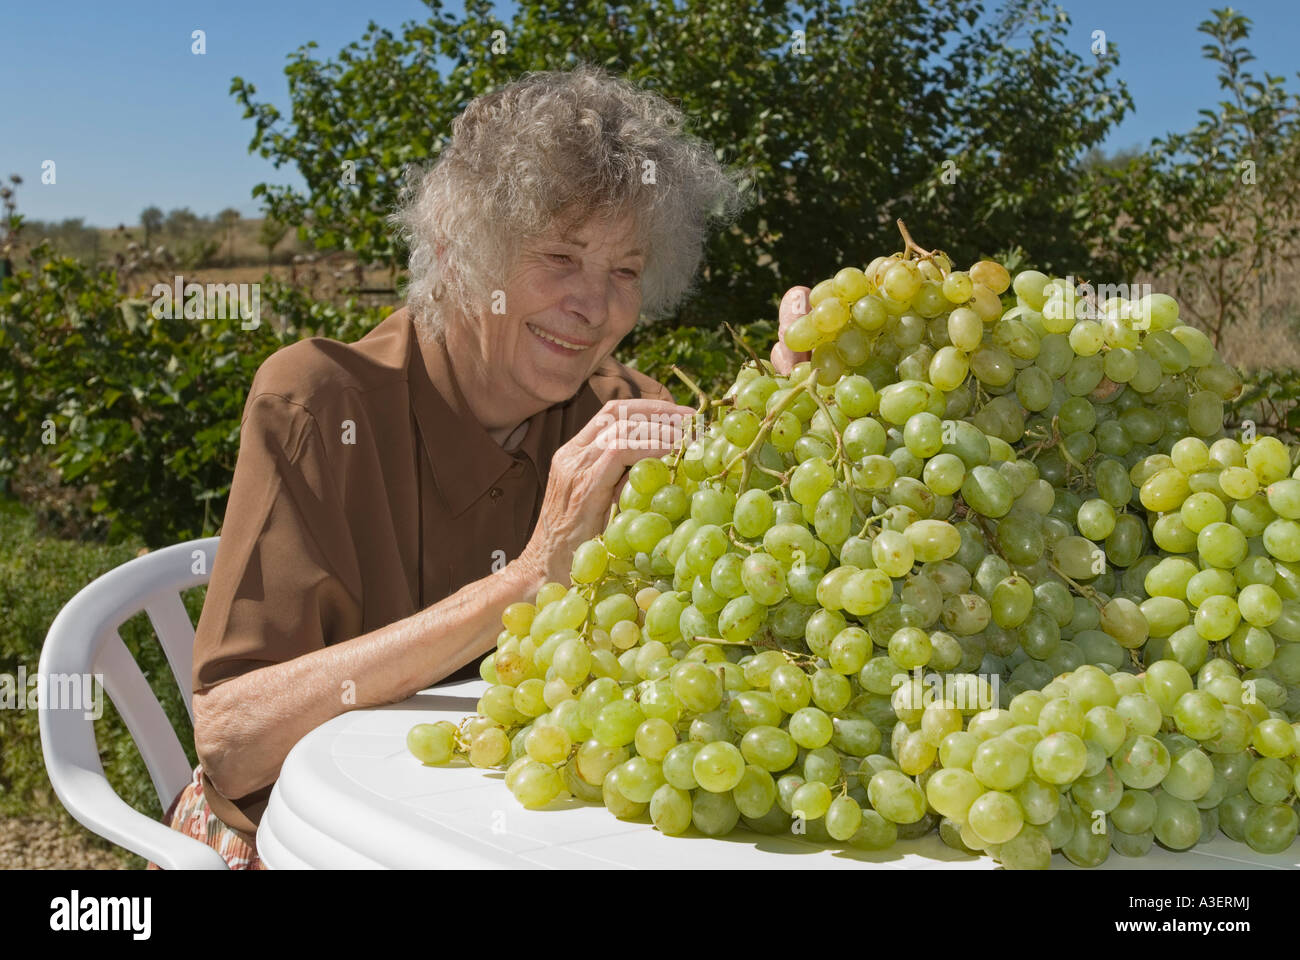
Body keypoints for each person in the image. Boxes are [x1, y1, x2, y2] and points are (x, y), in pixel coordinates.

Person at [150, 63, 756, 868]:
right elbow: (234, 743)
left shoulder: (619, 409)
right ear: (459, 250)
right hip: (301, 842)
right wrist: (529, 576)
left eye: (625, 271)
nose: (596, 306)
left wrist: (793, 395)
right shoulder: (320, 404)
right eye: (559, 257)